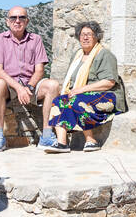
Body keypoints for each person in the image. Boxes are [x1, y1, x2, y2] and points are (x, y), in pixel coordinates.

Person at [43, 20, 127, 153]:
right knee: (58, 101)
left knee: (78, 100)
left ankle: (91, 140)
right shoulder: (77, 55)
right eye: (82, 35)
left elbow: (109, 82)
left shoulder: (104, 54)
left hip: (108, 95)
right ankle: (62, 143)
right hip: (85, 94)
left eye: (89, 34)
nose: (85, 37)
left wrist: (81, 89)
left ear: (96, 37)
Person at [0, 7, 60, 151]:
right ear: (7, 22)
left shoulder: (36, 39)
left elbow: (39, 70)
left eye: (21, 18)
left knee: (53, 85)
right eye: (13, 18)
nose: (17, 21)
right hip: (8, 84)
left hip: (30, 84)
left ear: (27, 21)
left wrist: (29, 87)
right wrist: (19, 88)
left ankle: (47, 136)